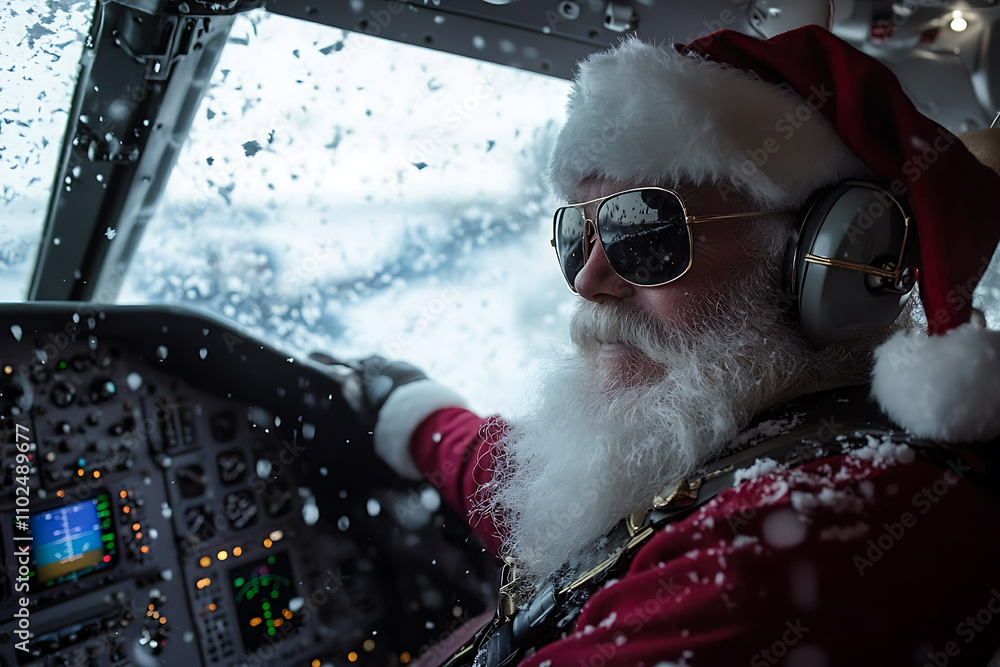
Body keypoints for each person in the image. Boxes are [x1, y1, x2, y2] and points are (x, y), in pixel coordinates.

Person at [343, 25, 1000, 666]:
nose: (587, 279)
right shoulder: (745, 419)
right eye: (578, 234)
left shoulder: (820, 526)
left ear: (827, 260)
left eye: (645, 231)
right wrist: (422, 415)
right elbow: (558, 491)